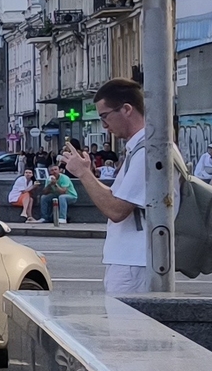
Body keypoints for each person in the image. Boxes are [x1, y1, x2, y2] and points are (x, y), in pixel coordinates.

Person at [63, 78, 153, 296]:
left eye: (105, 116)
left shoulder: (146, 153)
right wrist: (88, 173)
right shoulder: (140, 149)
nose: (104, 125)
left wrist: (84, 174)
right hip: (132, 259)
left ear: (127, 109)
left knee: (125, 329)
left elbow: (116, 210)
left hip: (133, 260)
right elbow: (116, 196)